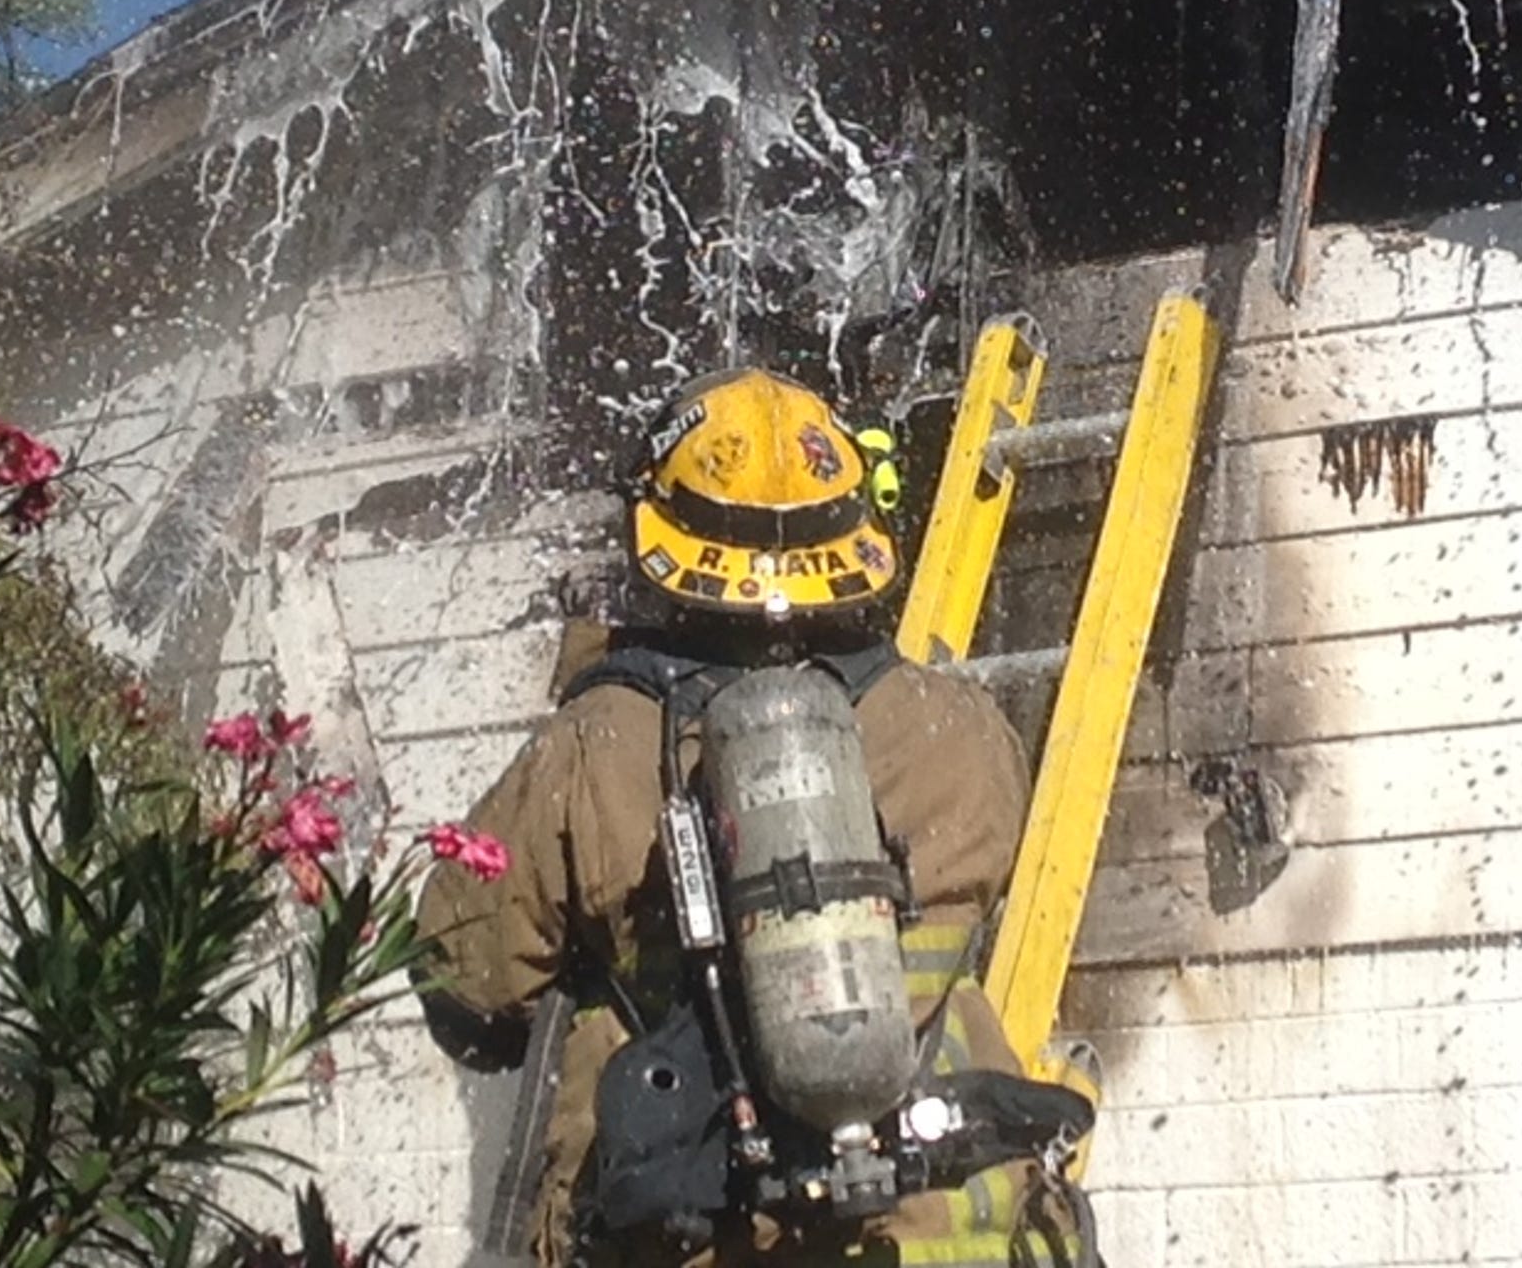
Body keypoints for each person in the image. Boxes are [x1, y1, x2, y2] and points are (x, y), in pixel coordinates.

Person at [416, 368, 1076, 1267]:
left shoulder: (593, 746)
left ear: (662, 536)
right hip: (955, 1235)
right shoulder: (958, 728)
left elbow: (465, 981)